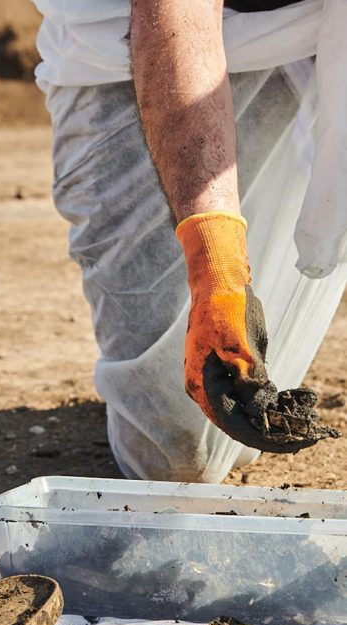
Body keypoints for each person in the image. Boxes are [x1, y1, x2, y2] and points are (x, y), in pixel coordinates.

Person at [33, 0, 347, 481]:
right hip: (141, 50)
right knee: (178, 455)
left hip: (320, 39)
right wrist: (216, 266)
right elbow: (177, 15)